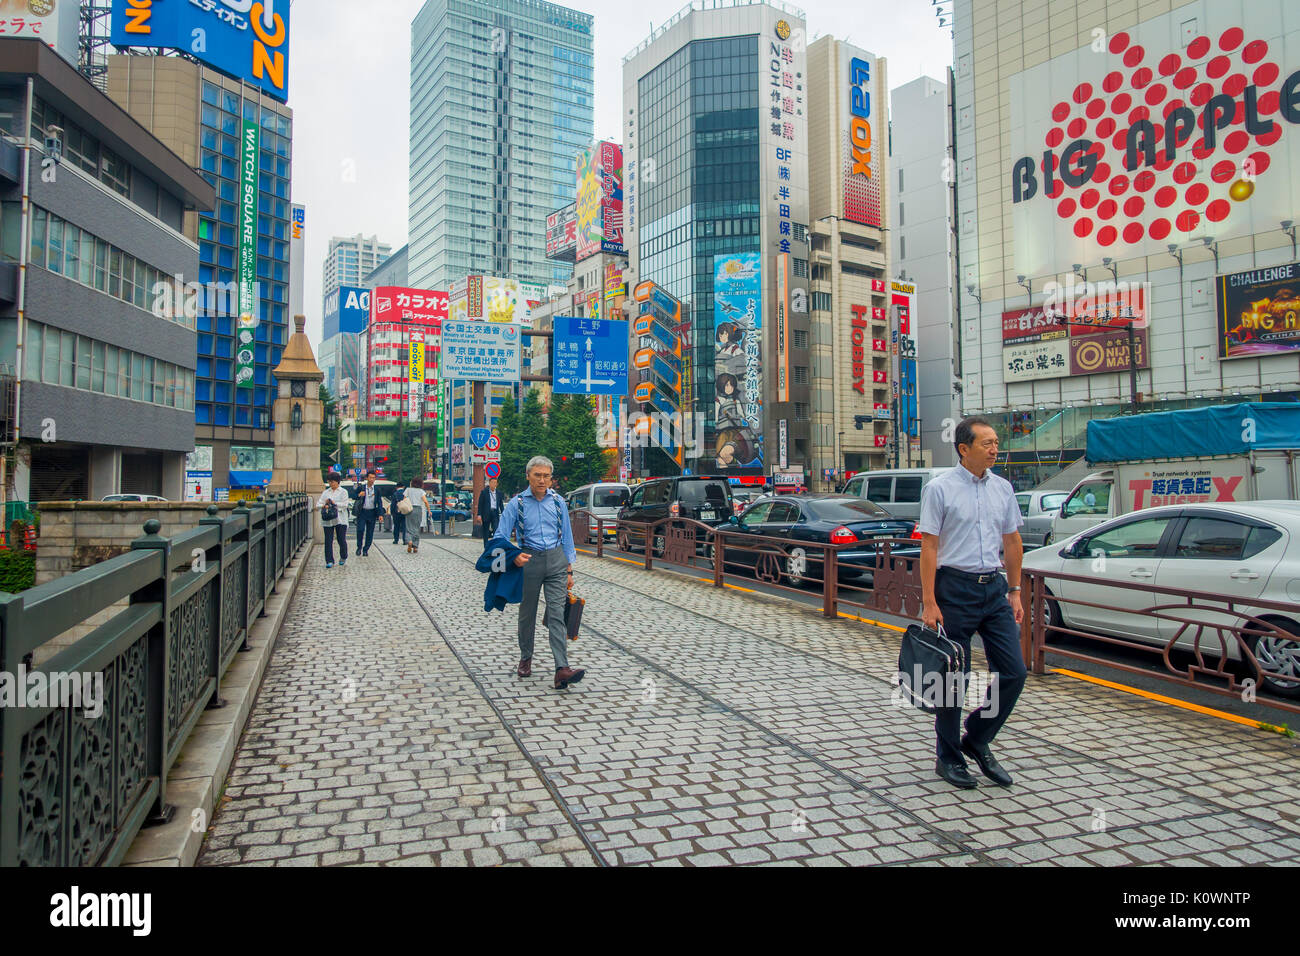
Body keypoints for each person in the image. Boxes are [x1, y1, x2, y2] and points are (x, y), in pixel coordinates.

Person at [917, 417, 1027, 790]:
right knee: (954, 679)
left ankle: (976, 737)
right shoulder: (940, 489)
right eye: (987, 443)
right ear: (964, 449)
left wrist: (1014, 590)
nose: (995, 449)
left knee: (1014, 672)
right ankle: (948, 758)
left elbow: (1011, 540)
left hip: (993, 589)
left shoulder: (1003, 488)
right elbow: (929, 545)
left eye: (996, 442)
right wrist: (929, 601)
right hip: (954, 589)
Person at [496, 455, 584, 690]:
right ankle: (526, 657)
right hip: (528, 561)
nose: (542, 480)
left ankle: (561, 669)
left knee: (557, 614)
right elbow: (501, 535)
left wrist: (569, 569)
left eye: (546, 476)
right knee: (527, 613)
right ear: (528, 476)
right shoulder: (517, 504)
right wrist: (513, 556)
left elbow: (566, 536)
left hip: (556, 561)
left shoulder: (558, 502)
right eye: (538, 475)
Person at [317, 472, 351, 569]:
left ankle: (343, 556)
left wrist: (334, 503)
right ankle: (329, 560)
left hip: (340, 519)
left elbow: (345, 504)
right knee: (328, 540)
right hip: (328, 520)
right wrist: (325, 505)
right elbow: (318, 504)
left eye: (332, 482)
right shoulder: (326, 492)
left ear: (337, 482)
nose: (331, 484)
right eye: (329, 482)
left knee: (341, 539)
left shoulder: (343, 492)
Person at [350, 470, 383, 556]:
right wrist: (359, 495)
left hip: (372, 512)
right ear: (367, 478)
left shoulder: (377, 490)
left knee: (370, 532)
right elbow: (353, 496)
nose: (372, 479)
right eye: (370, 477)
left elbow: (379, 502)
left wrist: (380, 514)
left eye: (374, 478)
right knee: (360, 530)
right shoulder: (361, 487)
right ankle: (359, 547)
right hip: (362, 512)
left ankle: (366, 549)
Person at [403, 478, 431, 554]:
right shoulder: (421, 491)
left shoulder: (408, 490)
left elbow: (404, 499)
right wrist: (429, 510)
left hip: (409, 509)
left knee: (409, 527)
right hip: (418, 509)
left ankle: (409, 541)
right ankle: (415, 546)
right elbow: (425, 501)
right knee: (416, 527)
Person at [477, 476, 502, 540]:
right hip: (486, 513)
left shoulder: (499, 493)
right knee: (486, 531)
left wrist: (503, 514)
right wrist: (479, 515)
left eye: (495, 483)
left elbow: (501, 505)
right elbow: (480, 504)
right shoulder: (484, 492)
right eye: (492, 482)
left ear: (497, 484)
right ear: (489, 483)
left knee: (496, 530)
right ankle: (486, 546)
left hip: (495, 513)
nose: (493, 484)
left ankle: (493, 546)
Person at [390, 480, 408, 545]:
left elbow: (393, 504)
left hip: (396, 512)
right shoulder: (405, 493)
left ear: (396, 487)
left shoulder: (395, 494)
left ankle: (396, 540)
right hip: (405, 511)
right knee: (404, 526)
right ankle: (405, 540)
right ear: (403, 486)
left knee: (396, 526)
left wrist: (392, 512)